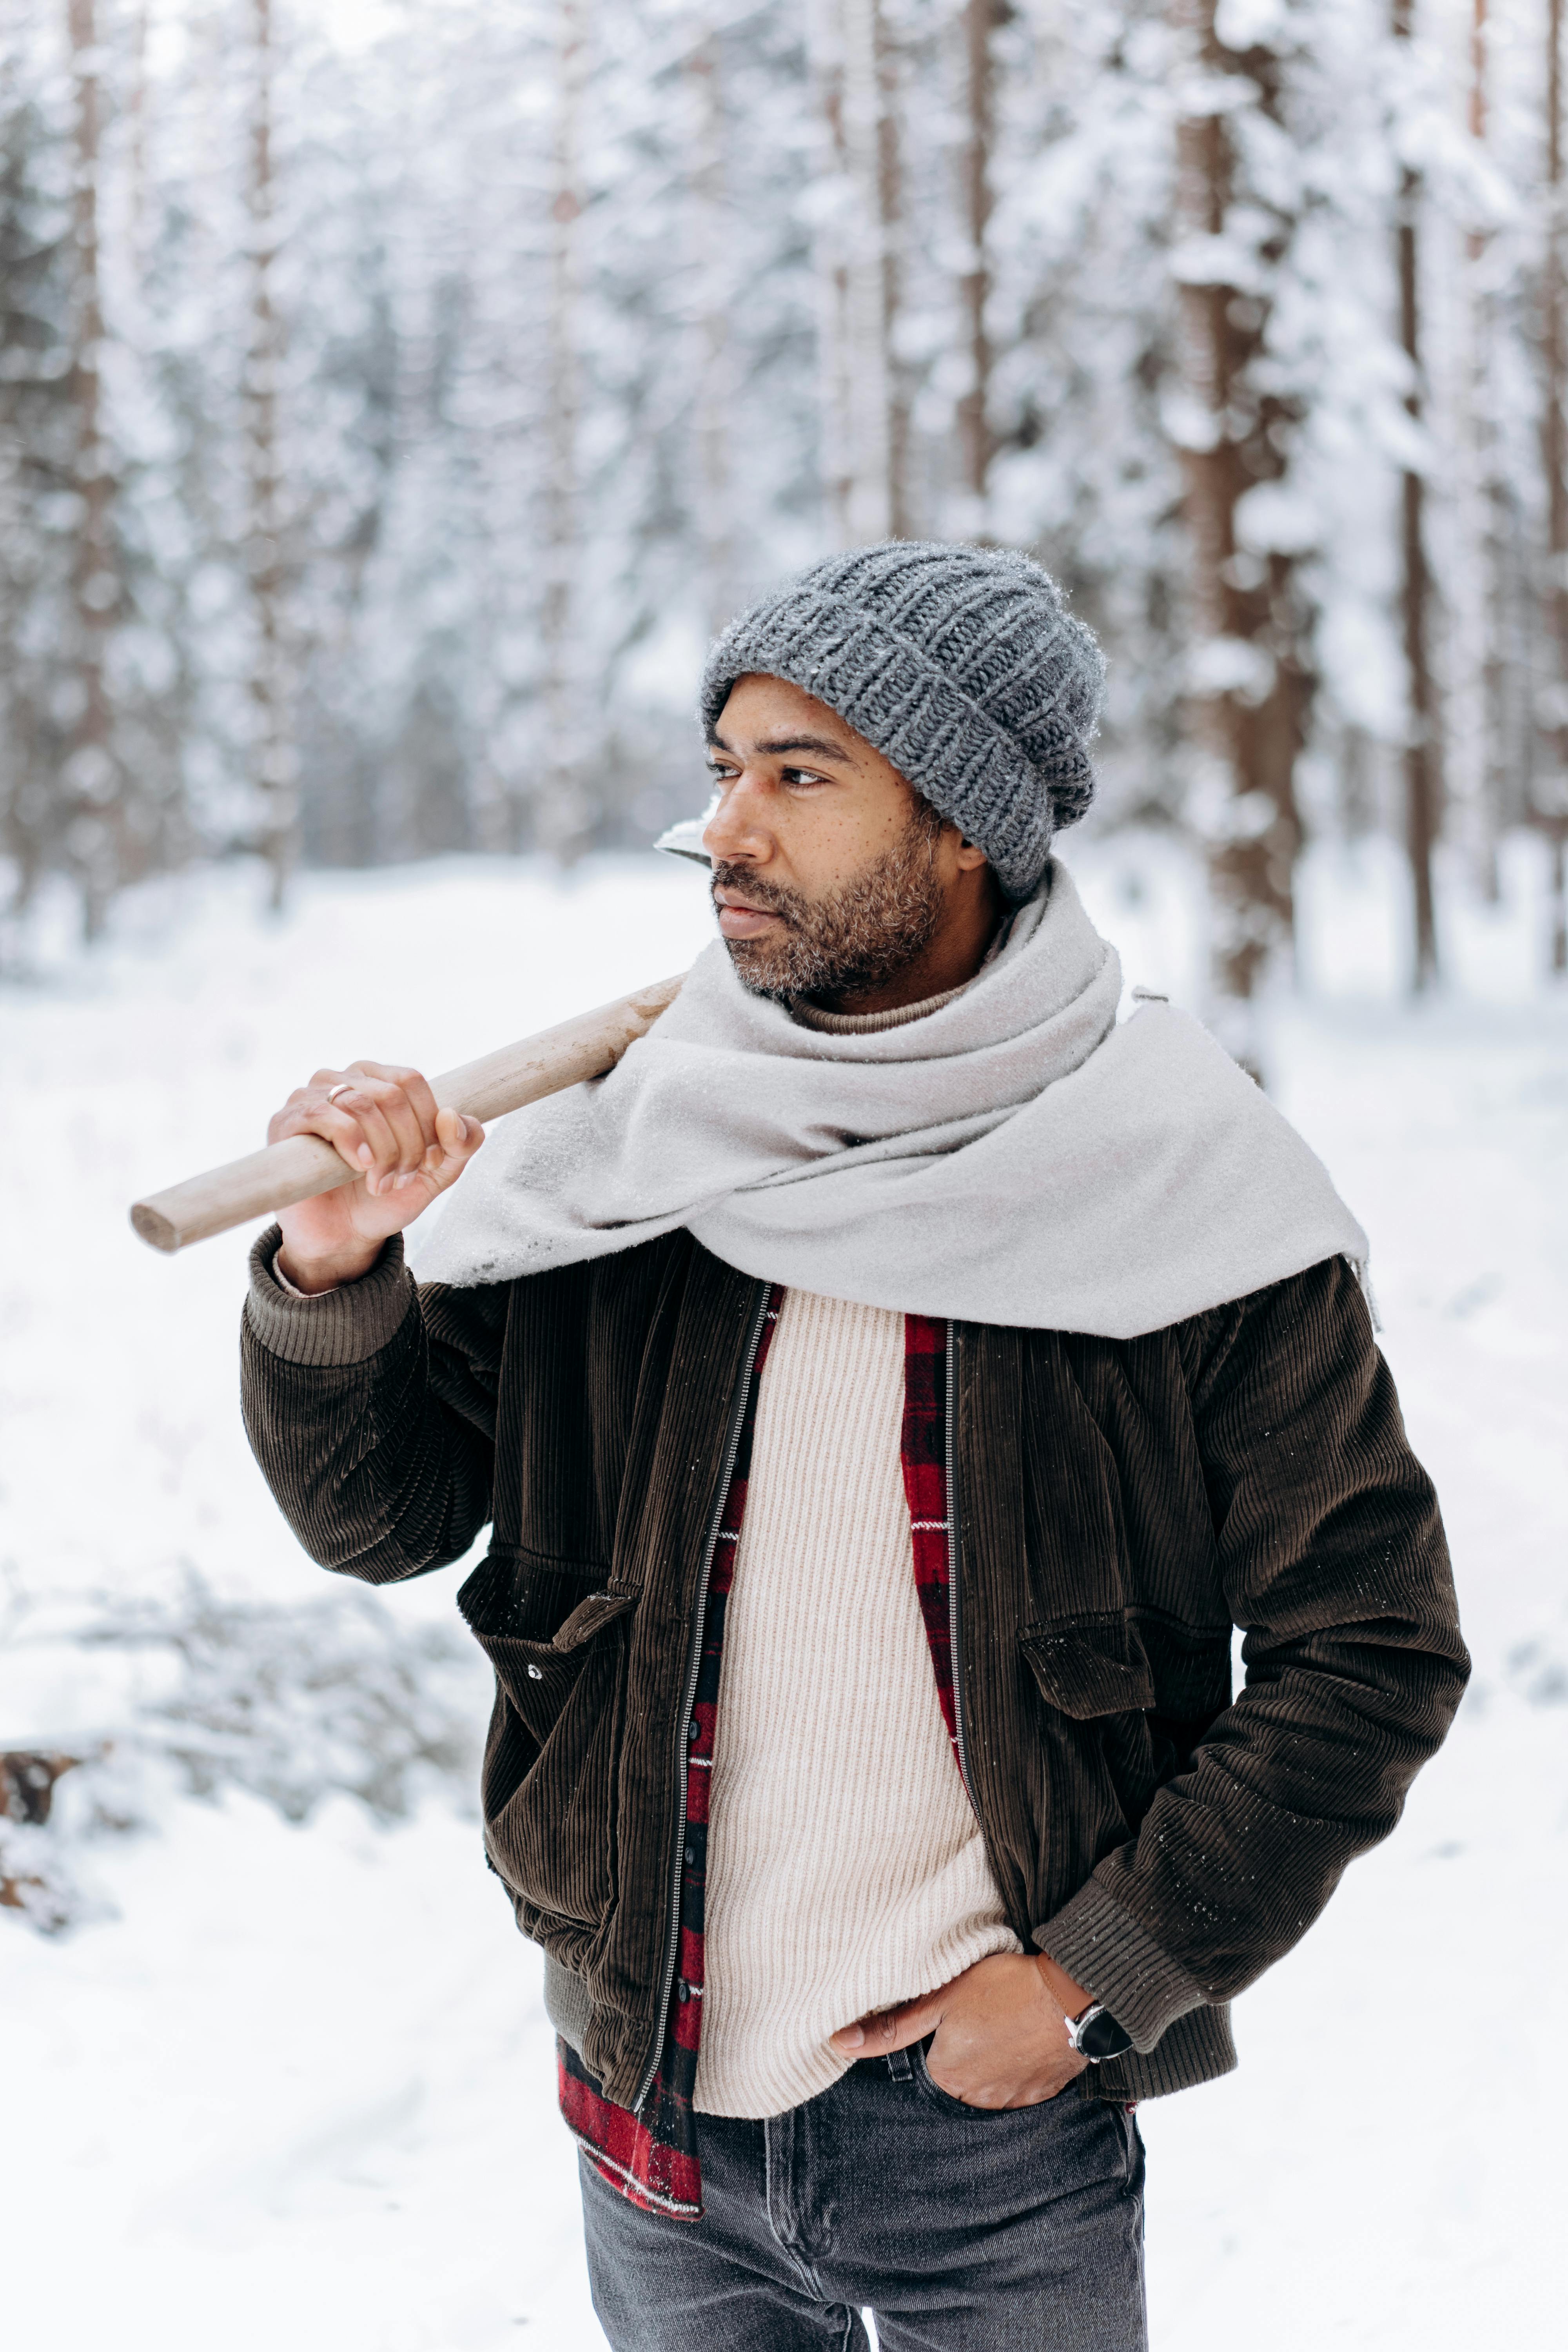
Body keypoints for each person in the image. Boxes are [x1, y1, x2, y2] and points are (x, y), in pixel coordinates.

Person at [241, 542, 1467, 2351]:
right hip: (649, 2095)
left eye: (800, 775)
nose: (729, 829)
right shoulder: (635, 1148)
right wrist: (336, 1268)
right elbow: (387, 1518)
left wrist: (1087, 1981)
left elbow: (1368, 1648)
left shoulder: (1181, 1181)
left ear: (963, 822)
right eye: (723, 768)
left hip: (990, 2140)